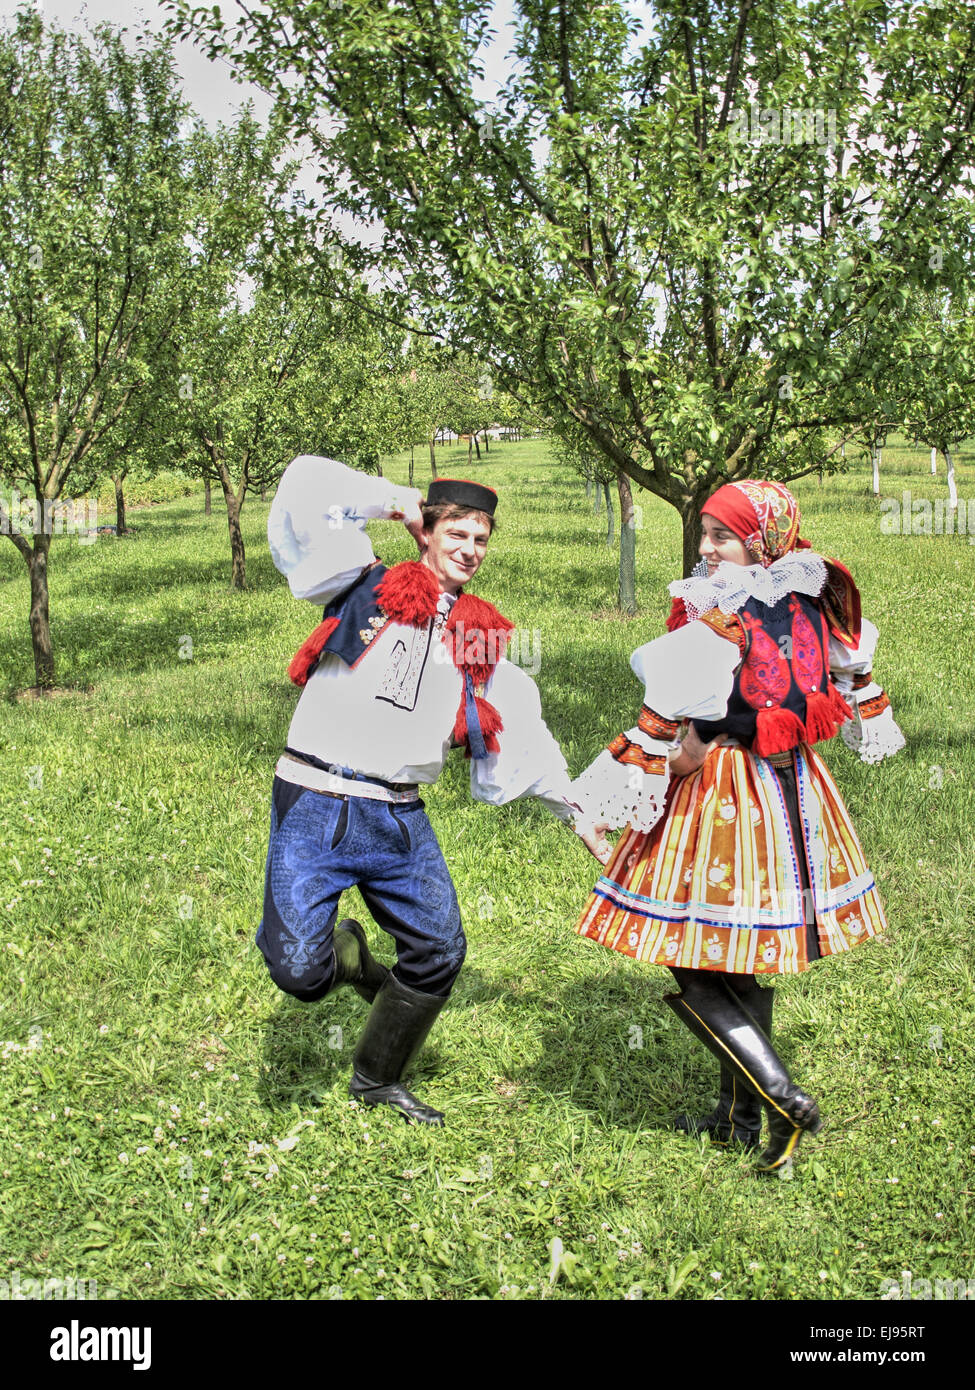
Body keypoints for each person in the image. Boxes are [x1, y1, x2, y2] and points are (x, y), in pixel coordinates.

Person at [258, 454, 602, 1126]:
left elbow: (525, 729)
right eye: (456, 534)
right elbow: (305, 486)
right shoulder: (361, 580)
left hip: (398, 819)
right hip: (316, 802)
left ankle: (375, 1080)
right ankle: (349, 961)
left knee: (440, 950)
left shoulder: (479, 638)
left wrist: (576, 811)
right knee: (299, 975)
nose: (471, 550)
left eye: (481, 539)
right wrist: (392, 498)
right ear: (425, 532)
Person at [572, 479, 904, 1171]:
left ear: (759, 542)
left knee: (691, 960)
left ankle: (777, 1095)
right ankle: (737, 1117)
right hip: (791, 789)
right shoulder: (816, 603)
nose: (706, 547)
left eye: (721, 535)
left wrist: (606, 801)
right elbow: (852, 691)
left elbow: (670, 731)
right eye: (704, 533)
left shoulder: (719, 618)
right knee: (742, 963)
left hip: (725, 790)